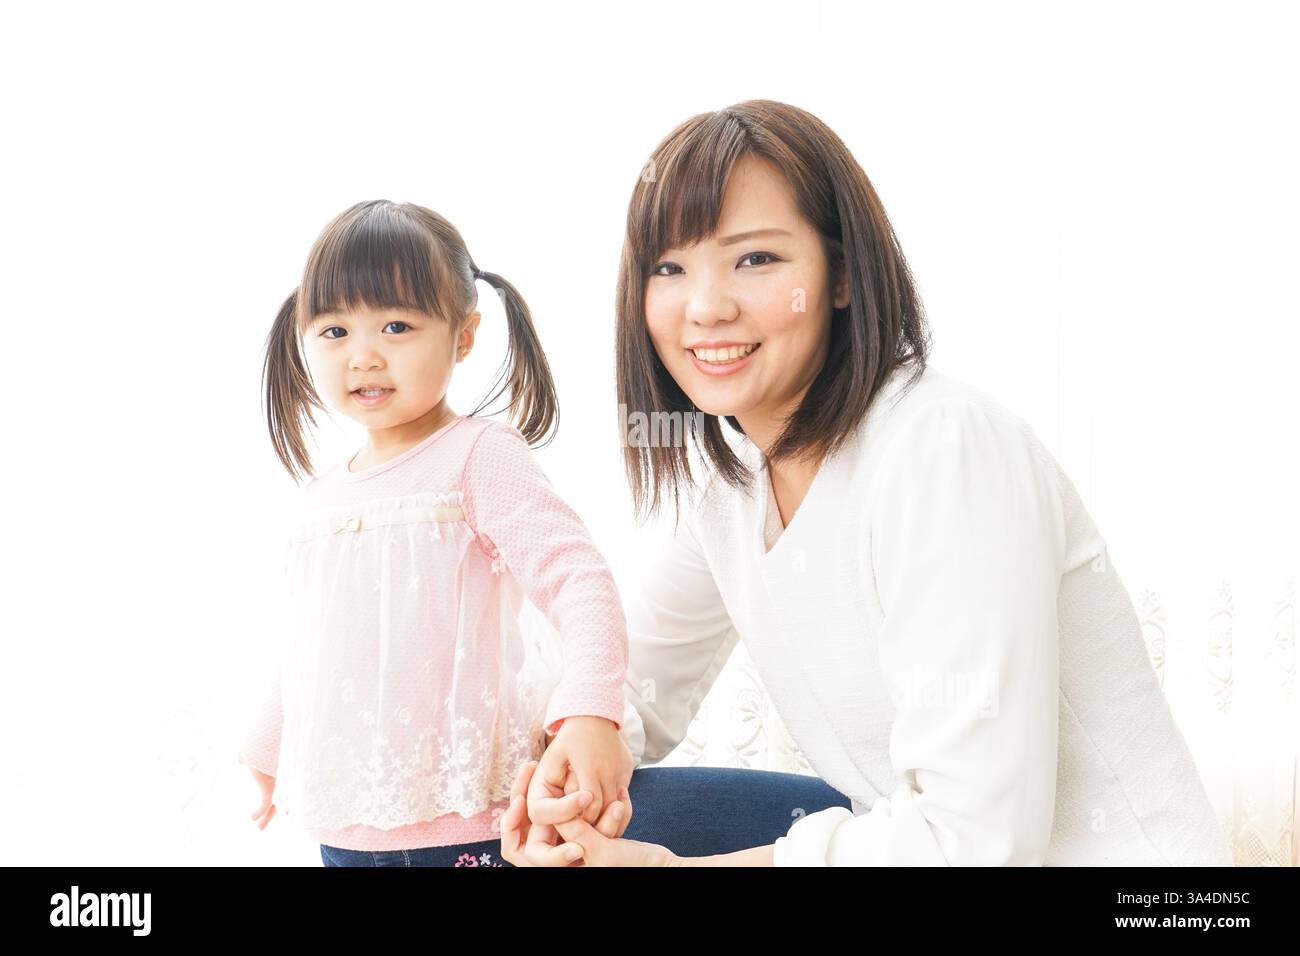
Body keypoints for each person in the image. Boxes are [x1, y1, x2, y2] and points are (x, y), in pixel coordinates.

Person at [500, 99, 1233, 866]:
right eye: (669, 269)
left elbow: (975, 844)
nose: (706, 307)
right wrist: (578, 749)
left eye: (756, 260)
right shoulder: (736, 482)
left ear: (842, 275)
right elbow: (632, 677)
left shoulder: (943, 452)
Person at [237, 200, 637, 866]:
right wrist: (267, 744)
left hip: (469, 820)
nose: (362, 356)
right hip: (344, 827)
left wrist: (592, 709)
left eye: (395, 326)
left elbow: (579, 581)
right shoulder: (321, 498)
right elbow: (313, 645)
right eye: (334, 331)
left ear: (464, 335)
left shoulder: (478, 457)